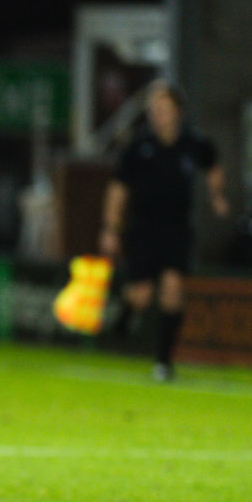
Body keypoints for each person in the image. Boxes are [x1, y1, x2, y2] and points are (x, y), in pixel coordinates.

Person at [99, 80, 229, 382]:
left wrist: (217, 195)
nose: (158, 115)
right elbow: (118, 189)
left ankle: (163, 362)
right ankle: (125, 314)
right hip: (142, 230)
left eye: (164, 109)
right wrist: (110, 228)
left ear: (178, 112)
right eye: (154, 110)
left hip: (177, 230)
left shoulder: (191, 143)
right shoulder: (138, 146)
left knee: (172, 290)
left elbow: (213, 164)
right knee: (141, 296)